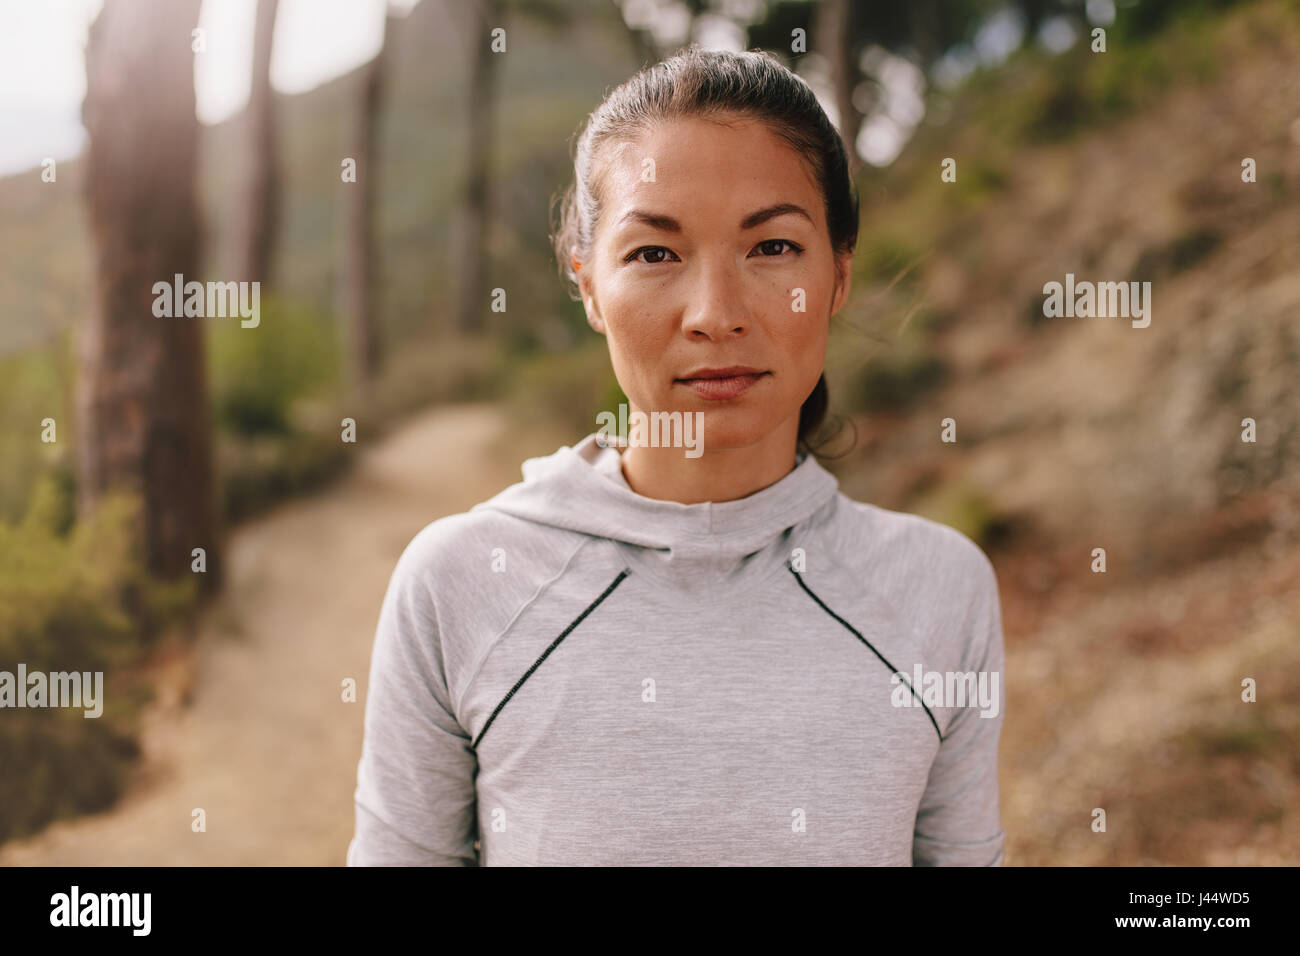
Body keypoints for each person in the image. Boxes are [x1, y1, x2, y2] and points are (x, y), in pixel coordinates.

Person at [347, 46, 1005, 866]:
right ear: (587, 283)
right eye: (655, 253)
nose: (714, 314)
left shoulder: (940, 591)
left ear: (838, 275)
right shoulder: (460, 581)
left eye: (772, 248)